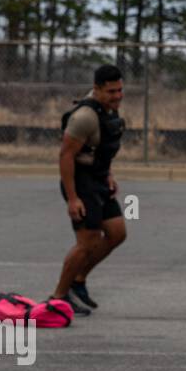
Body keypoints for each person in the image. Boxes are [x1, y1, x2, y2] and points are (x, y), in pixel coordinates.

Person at [53, 64, 128, 315]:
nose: (117, 96)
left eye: (120, 90)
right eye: (111, 92)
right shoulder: (84, 117)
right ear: (96, 89)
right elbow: (66, 156)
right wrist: (73, 199)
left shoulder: (109, 110)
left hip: (98, 179)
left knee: (117, 233)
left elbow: (100, 149)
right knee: (87, 242)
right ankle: (58, 298)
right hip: (80, 182)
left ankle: (78, 280)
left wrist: (108, 174)